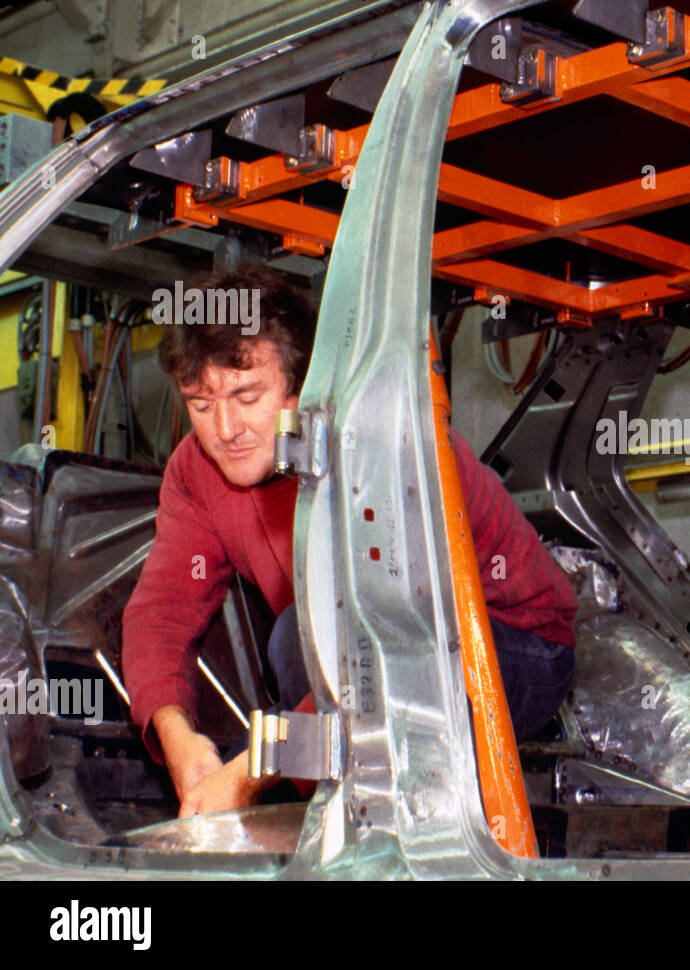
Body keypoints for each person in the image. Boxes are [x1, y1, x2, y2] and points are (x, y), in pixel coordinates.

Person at [121, 266, 577, 818]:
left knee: (295, 644)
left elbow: (391, 642)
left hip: (512, 645)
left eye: (247, 395)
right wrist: (179, 740)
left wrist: (252, 769)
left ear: (302, 381)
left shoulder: (374, 447)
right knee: (299, 645)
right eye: (199, 403)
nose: (225, 428)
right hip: (360, 650)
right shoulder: (196, 472)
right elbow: (162, 611)